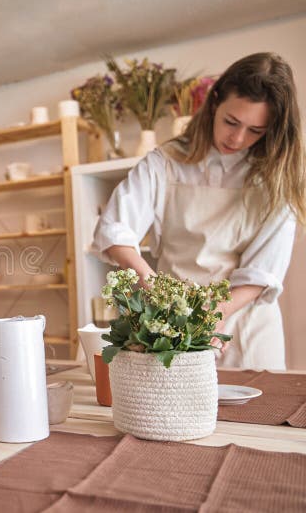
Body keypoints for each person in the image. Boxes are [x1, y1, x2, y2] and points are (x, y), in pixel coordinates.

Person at [93, 52, 305, 370]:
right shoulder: (165, 163)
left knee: (255, 417)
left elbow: (265, 270)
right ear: (214, 102)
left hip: (246, 326)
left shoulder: (276, 176)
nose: (237, 138)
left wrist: (214, 313)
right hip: (172, 322)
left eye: (256, 130)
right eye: (231, 122)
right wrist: (151, 285)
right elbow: (114, 229)